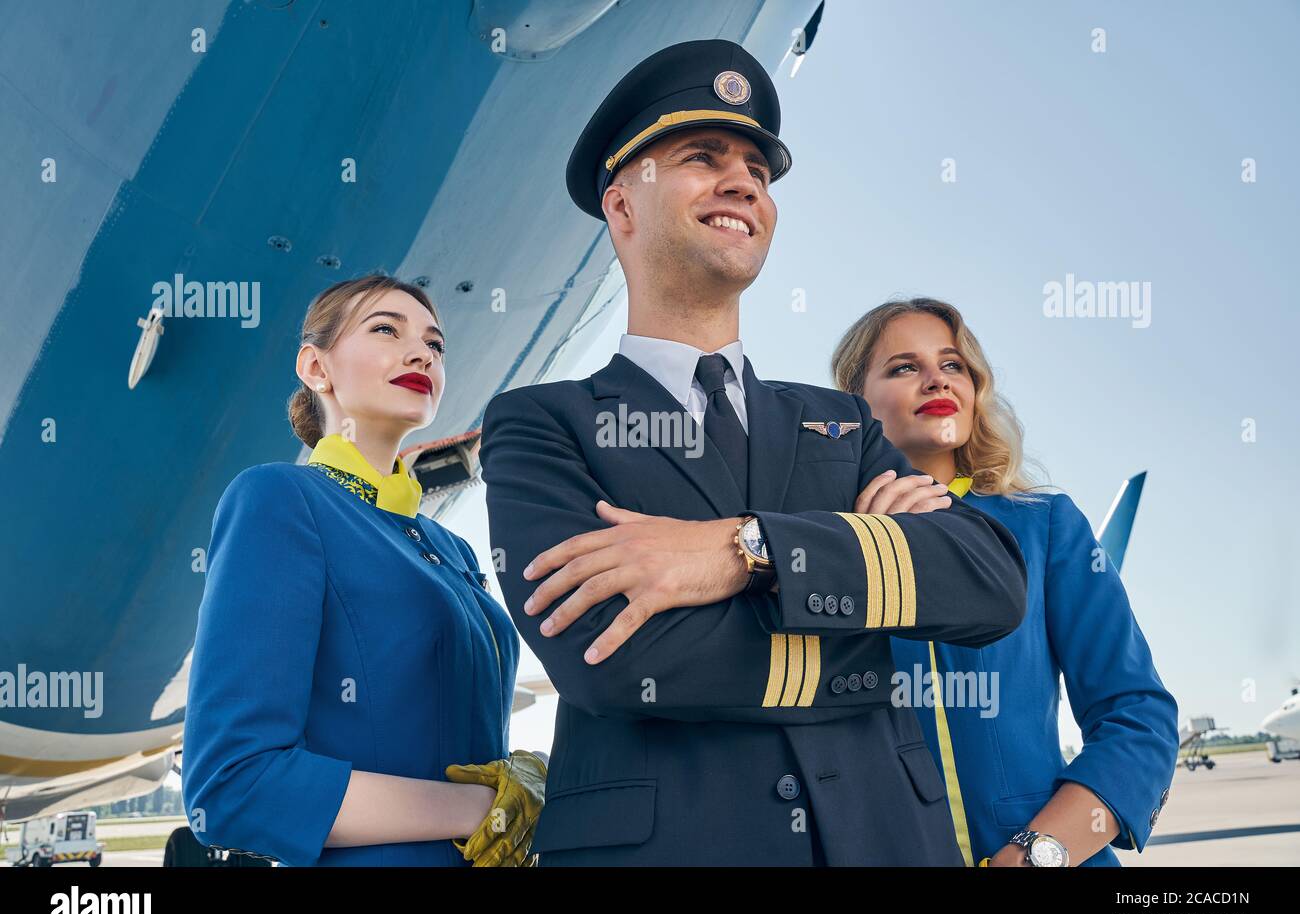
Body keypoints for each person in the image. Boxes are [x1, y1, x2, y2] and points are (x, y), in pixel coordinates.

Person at [478, 39, 1029, 865]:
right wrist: (864, 638)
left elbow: (986, 582)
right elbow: (615, 663)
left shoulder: (839, 423)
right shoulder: (539, 423)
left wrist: (747, 551)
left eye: (759, 173)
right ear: (622, 206)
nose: (744, 183)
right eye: (704, 158)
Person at [182, 274, 545, 867]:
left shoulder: (453, 548)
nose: (421, 353)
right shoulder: (280, 498)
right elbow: (235, 784)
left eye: (436, 344)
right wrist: (480, 807)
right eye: (385, 330)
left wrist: (521, 779)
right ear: (316, 368)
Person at [832, 296, 1180, 867]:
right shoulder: (823, 546)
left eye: (953, 365)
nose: (934, 380)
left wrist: (1036, 854)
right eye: (903, 367)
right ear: (855, 403)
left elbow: (1137, 714)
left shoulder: (1045, 526)